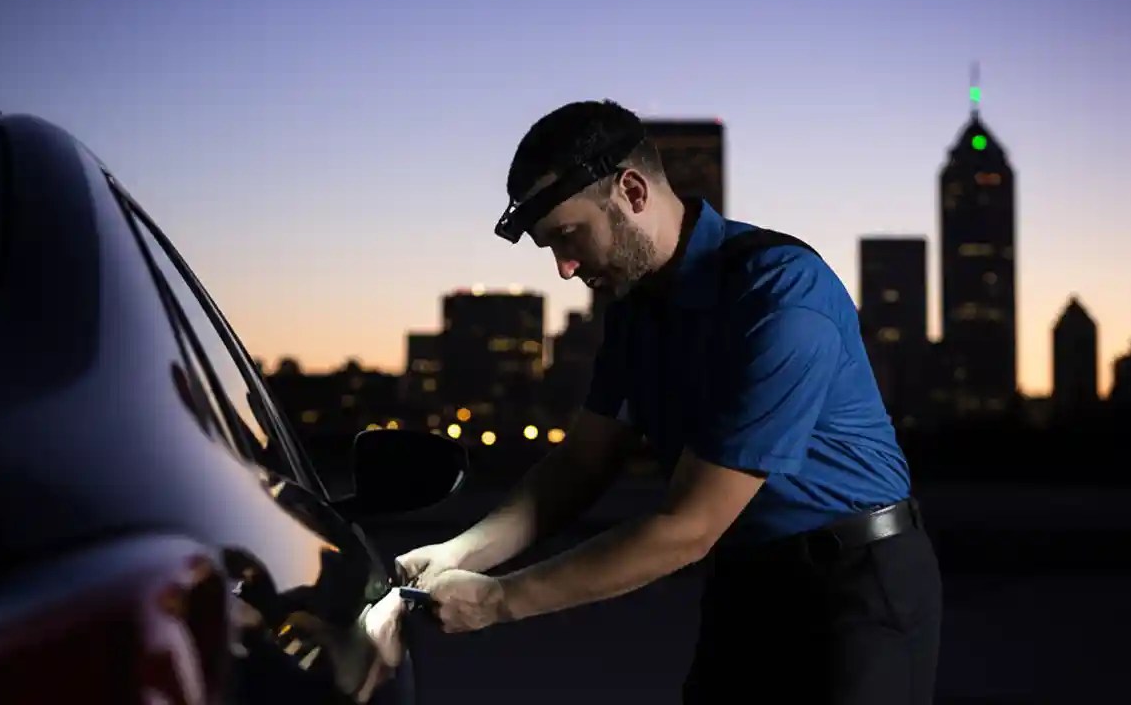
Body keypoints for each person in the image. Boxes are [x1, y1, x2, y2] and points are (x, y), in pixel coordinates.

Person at [395, 99, 942, 703]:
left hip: (857, 586)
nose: (564, 268)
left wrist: (499, 601)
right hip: (744, 581)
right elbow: (579, 465)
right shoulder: (635, 312)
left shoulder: (779, 292)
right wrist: (458, 553)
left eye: (568, 236)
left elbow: (688, 526)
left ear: (632, 191)